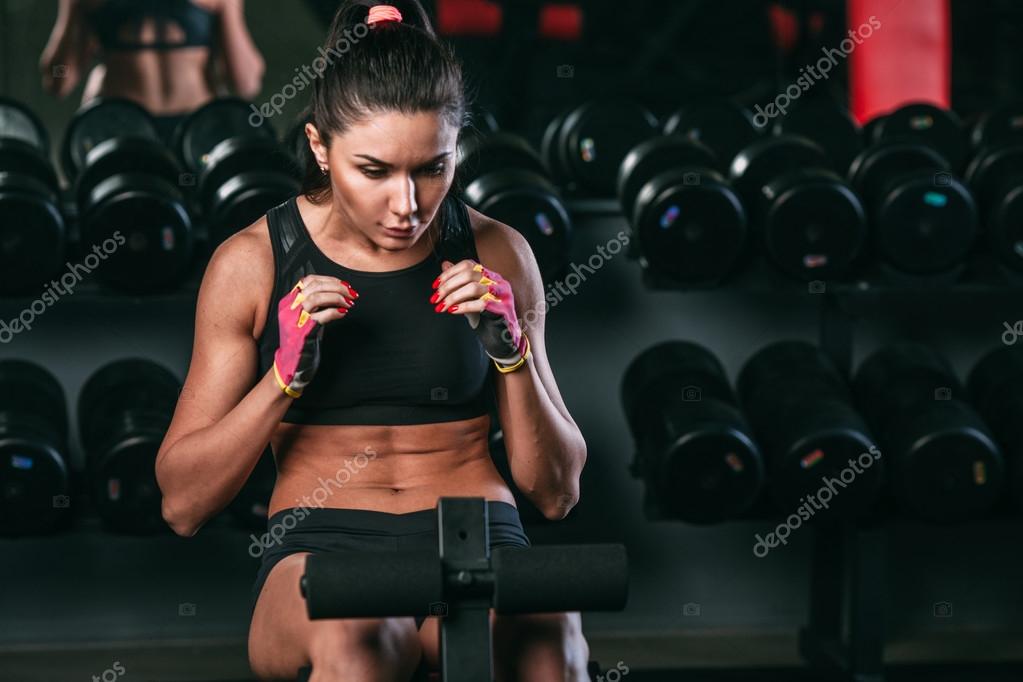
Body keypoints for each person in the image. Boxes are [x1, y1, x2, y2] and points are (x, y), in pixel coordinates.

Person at [154, 1, 590, 679]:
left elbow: (557, 492)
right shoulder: (254, 262)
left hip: (476, 527)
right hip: (324, 538)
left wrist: (512, 355)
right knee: (359, 634)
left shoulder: (498, 251)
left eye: (431, 169)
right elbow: (182, 504)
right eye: (376, 170)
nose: (409, 205)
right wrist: (283, 377)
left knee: (551, 639)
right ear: (321, 149)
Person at [39, 0, 264, 142]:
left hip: (195, 134)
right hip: (118, 132)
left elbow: (247, 83)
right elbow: (58, 82)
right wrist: (72, 9)